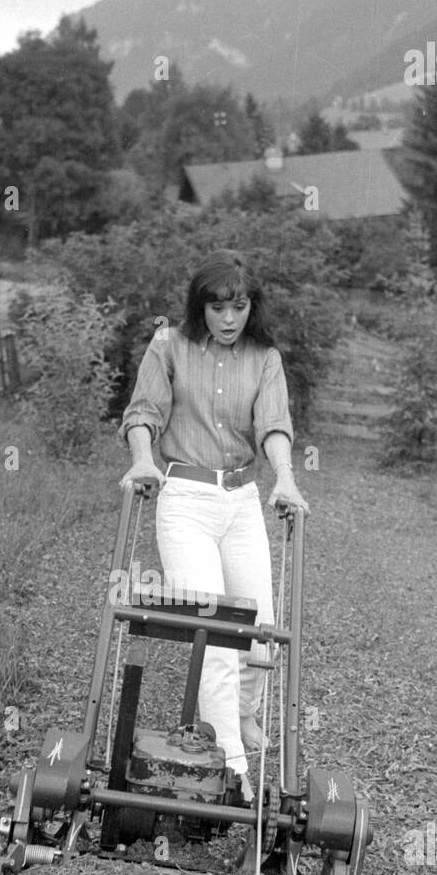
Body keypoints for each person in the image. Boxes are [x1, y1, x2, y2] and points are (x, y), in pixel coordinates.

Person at [118, 249, 309, 804]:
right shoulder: (168, 345)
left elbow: (273, 423)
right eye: (218, 307)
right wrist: (142, 458)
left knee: (262, 633)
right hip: (183, 500)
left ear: (253, 307)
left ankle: (242, 717)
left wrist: (285, 479)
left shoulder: (264, 357)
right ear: (199, 307)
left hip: (241, 500)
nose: (229, 319)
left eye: (240, 307)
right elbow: (143, 411)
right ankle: (234, 773)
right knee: (218, 638)